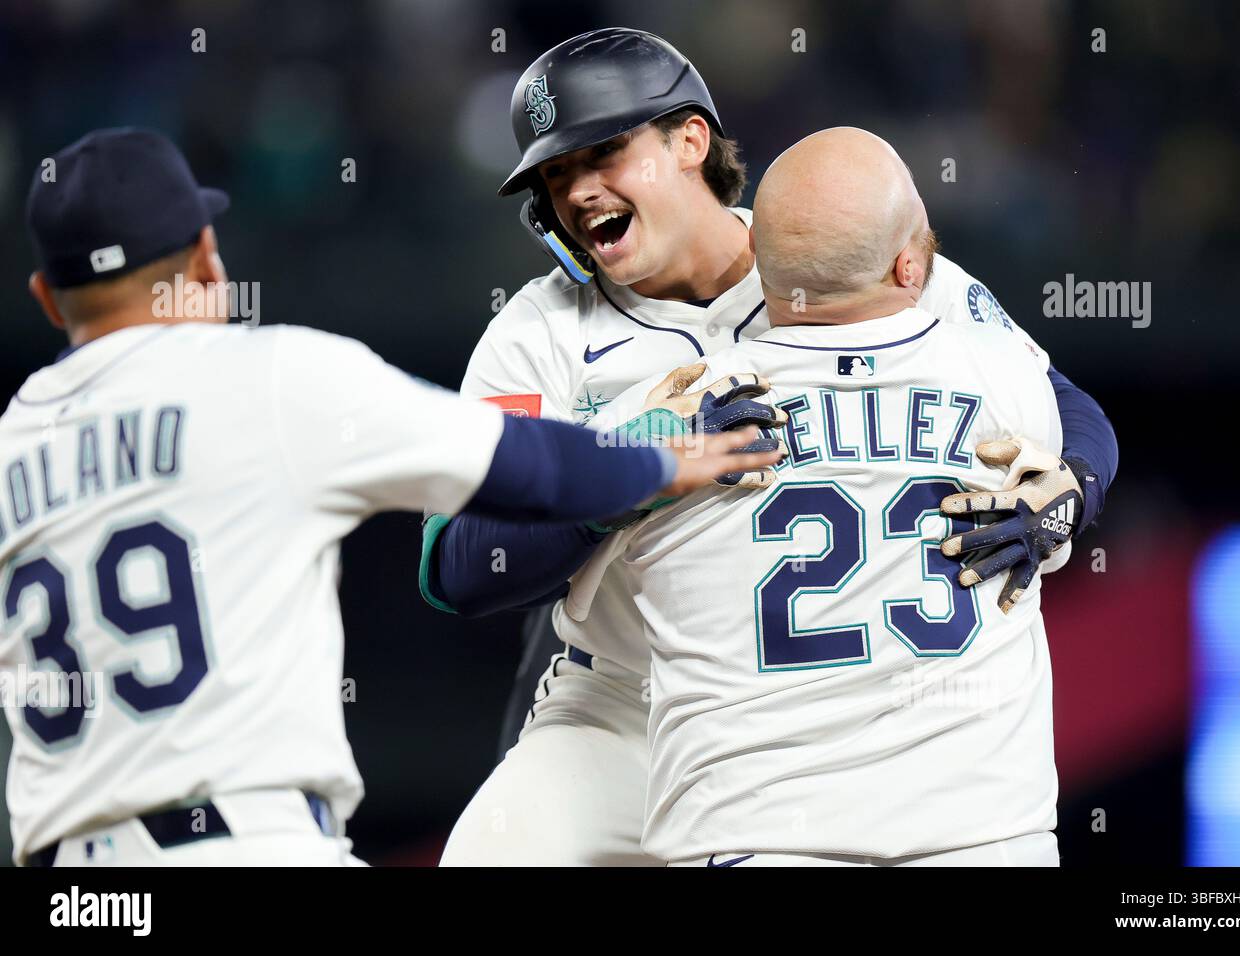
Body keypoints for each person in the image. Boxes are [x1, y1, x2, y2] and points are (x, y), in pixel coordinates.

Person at [428, 28, 1116, 866]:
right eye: (555, 172)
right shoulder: (537, 334)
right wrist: (632, 469)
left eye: (603, 150)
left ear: (689, 139)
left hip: (838, 707)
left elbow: (1060, 403)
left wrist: (1069, 493)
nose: (578, 188)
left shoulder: (841, 242)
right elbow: (462, 566)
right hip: (622, 705)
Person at [0, 127, 779, 867]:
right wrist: (652, 453)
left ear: (44, 296)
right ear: (208, 261)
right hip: (250, 841)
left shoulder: (12, 443)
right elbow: (522, 465)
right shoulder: (273, 379)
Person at [613, 127, 1073, 865]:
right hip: (983, 840)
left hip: (748, 837)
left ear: (757, 261)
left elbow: (482, 551)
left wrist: (623, 466)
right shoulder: (1007, 384)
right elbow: (1084, 427)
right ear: (911, 264)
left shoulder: (668, 414)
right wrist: (1070, 492)